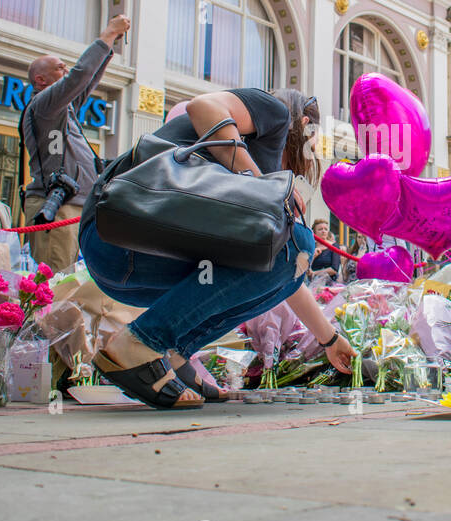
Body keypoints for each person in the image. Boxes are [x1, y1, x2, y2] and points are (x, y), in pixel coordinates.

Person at [78, 88, 358, 409]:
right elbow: (202, 105)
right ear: (305, 124)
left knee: (288, 253)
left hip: (126, 257)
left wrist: (329, 339)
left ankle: (172, 351)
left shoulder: (263, 164)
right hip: (119, 235)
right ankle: (144, 342)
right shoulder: (273, 113)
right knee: (296, 241)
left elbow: (285, 273)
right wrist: (259, 185)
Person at [22, 15, 128, 273]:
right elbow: (79, 77)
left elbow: (85, 82)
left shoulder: (62, 110)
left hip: (77, 206)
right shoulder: (44, 106)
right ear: (41, 80)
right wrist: (107, 34)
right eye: (60, 68)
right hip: (57, 206)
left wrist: (109, 47)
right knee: (55, 283)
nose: (67, 71)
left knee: (72, 284)